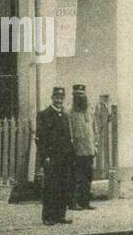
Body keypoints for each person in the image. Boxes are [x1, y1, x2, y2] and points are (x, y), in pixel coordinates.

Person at [35, 86, 74, 224]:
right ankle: (48, 217)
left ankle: (60, 215)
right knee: (51, 187)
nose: (59, 100)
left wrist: (70, 156)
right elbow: (40, 138)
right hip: (51, 157)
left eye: (62, 97)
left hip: (64, 158)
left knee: (63, 186)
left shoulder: (64, 115)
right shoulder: (44, 114)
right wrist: (45, 156)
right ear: (52, 98)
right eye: (57, 97)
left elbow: (68, 137)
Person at [68, 84, 97, 210]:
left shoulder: (89, 109)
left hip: (89, 149)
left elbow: (94, 129)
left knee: (88, 176)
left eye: (81, 94)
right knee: (75, 177)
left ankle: (85, 201)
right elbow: (69, 130)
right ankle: (73, 202)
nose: (80, 97)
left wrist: (95, 145)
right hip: (77, 149)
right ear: (73, 96)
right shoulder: (69, 110)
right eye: (77, 94)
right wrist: (72, 146)